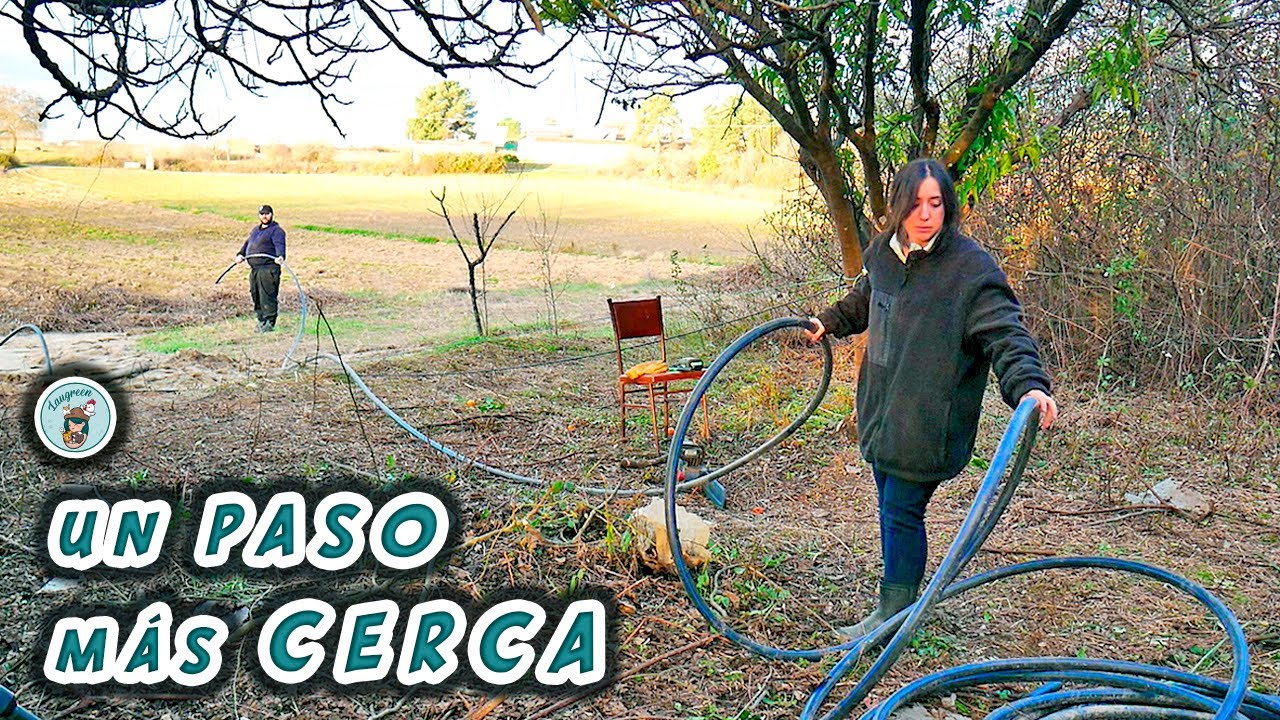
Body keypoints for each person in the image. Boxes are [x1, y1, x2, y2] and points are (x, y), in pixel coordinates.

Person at [803, 158, 1059, 641]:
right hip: (881, 410)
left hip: (928, 419)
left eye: (935, 203)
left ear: (948, 207)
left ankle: (894, 613)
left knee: (901, 508)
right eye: (915, 204)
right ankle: (901, 601)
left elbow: (1006, 333)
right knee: (890, 504)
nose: (925, 215)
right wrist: (829, 321)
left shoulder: (970, 270)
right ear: (898, 206)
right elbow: (865, 300)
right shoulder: (884, 253)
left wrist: (1029, 384)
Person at [236, 204, 287, 333]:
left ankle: (269, 323)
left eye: (267, 213)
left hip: (268, 269)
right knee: (256, 295)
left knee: (267, 296)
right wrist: (241, 254)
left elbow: (280, 245)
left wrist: (280, 256)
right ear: (259, 215)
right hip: (255, 269)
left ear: (272, 214)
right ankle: (261, 321)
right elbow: (247, 244)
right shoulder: (255, 230)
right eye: (262, 214)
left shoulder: (277, 231)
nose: (264, 216)